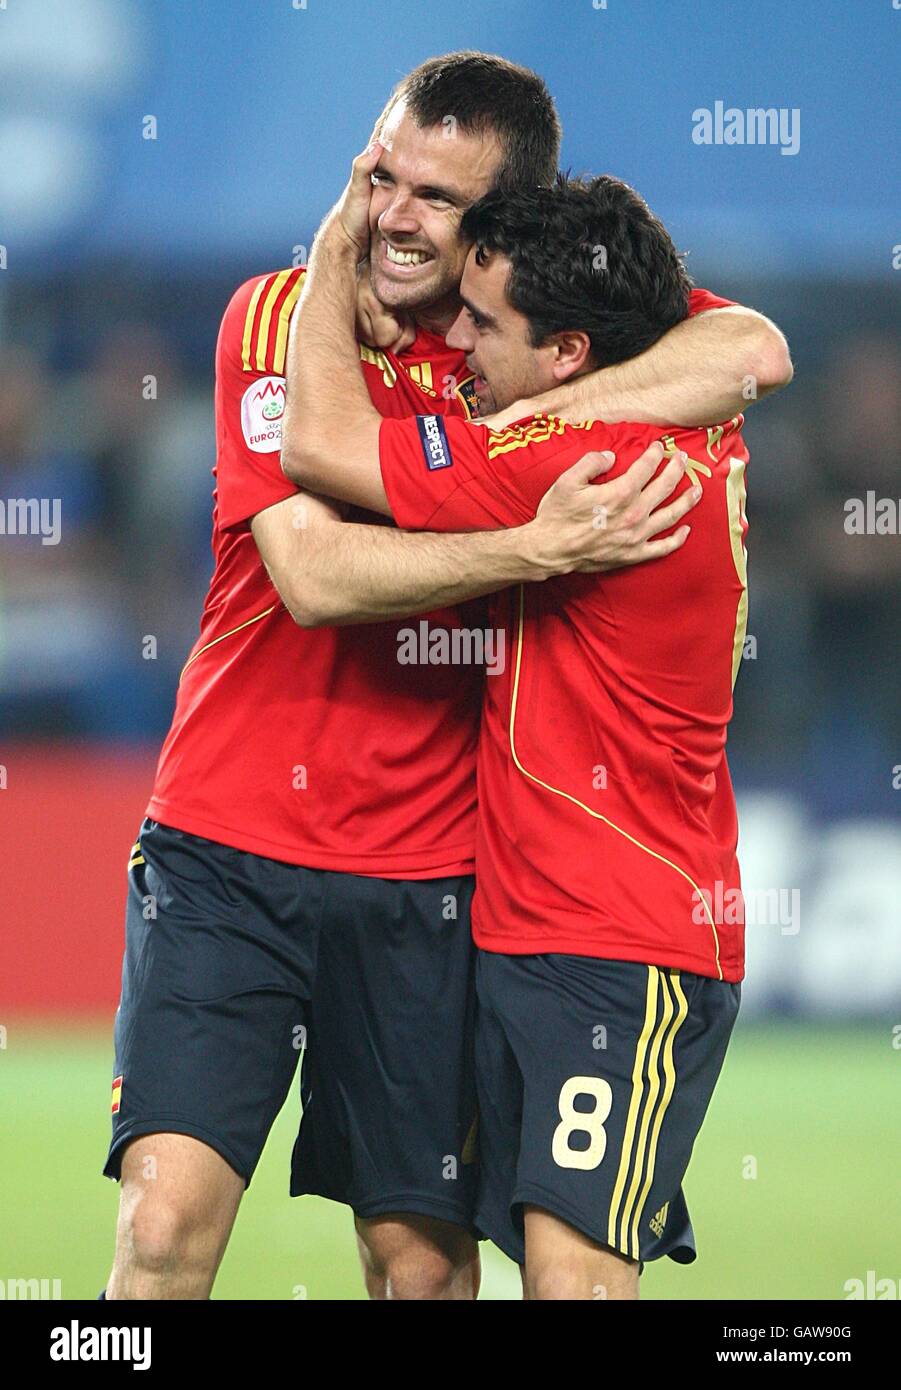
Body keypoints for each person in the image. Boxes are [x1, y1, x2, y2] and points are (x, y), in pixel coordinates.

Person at [103, 52, 790, 1301]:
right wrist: (529, 540)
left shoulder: (526, 336)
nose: (394, 217)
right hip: (226, 844)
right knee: (160, 1232)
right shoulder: (280, 315)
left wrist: (552, 420)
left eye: (434, 198)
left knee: (418, 1271)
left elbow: (750, 344)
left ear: (502, 230)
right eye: (380, 177)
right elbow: (307, 572)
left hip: (430, 878)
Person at [280, 148, 773, 1298]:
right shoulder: (659, 391)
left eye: (484, 327)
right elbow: (747, 341)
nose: (457, 346)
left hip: (618, 943)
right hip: (528, 928)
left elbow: (320, 446)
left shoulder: (574, 456)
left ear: (566, 356)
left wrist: (331, 252)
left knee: (573, 1283)